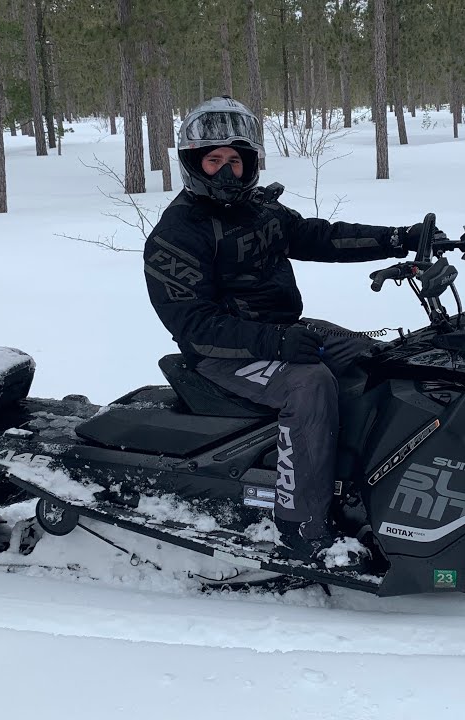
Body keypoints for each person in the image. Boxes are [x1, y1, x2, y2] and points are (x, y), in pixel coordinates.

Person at [142, 96, 445, 570]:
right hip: (222, 354)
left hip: (282, 333)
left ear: (251, 165)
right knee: (311, 384)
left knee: (380, 360)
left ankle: (372, 487)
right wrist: (276, 343)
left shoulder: (257, 210)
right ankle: (301, 527)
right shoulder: (178, 233)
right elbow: (193, 325)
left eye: (236, 161)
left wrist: (399, 238)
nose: (227, 172)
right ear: (193, 163)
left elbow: (316, 236)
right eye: (215, 160)